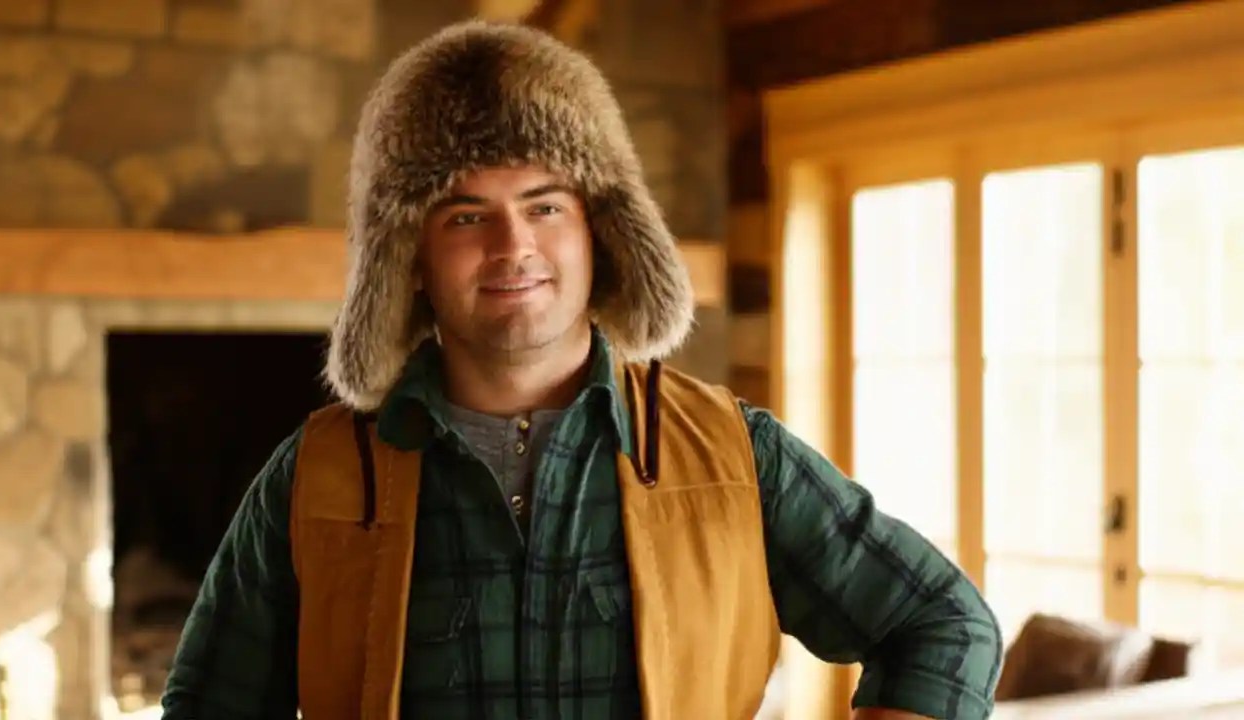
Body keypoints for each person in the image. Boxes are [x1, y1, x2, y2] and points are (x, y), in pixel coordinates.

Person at [160, 20, 1003, 720]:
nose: (512, 246)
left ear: (602, 230)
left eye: (545, 205)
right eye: (465, 214)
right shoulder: (318, 480)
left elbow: (945, 623)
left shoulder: (733, 458)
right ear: (408, 255)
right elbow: (208, 705)